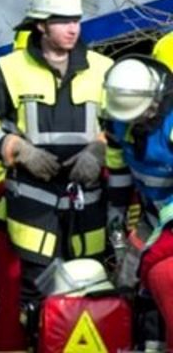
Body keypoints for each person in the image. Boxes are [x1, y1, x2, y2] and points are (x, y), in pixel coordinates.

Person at [0, 0, 112, 345]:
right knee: (35, 301)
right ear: (40, 25)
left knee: (89, 293)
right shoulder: (8, 69)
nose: (72, 29)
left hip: (87, 203)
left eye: (76, 20)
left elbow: (121, 127)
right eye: (62, 21)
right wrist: (17, 149)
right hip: (31, 203)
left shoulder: (101, 68)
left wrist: (98, 150)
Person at [102, 43, 173, 332]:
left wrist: (146, 247)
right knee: (139, 295)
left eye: (140, 116)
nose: (135, 122)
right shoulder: (118, 117)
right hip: (150, 216)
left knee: (156, 278)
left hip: (167, 223)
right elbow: (118, 167)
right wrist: (116, 216)